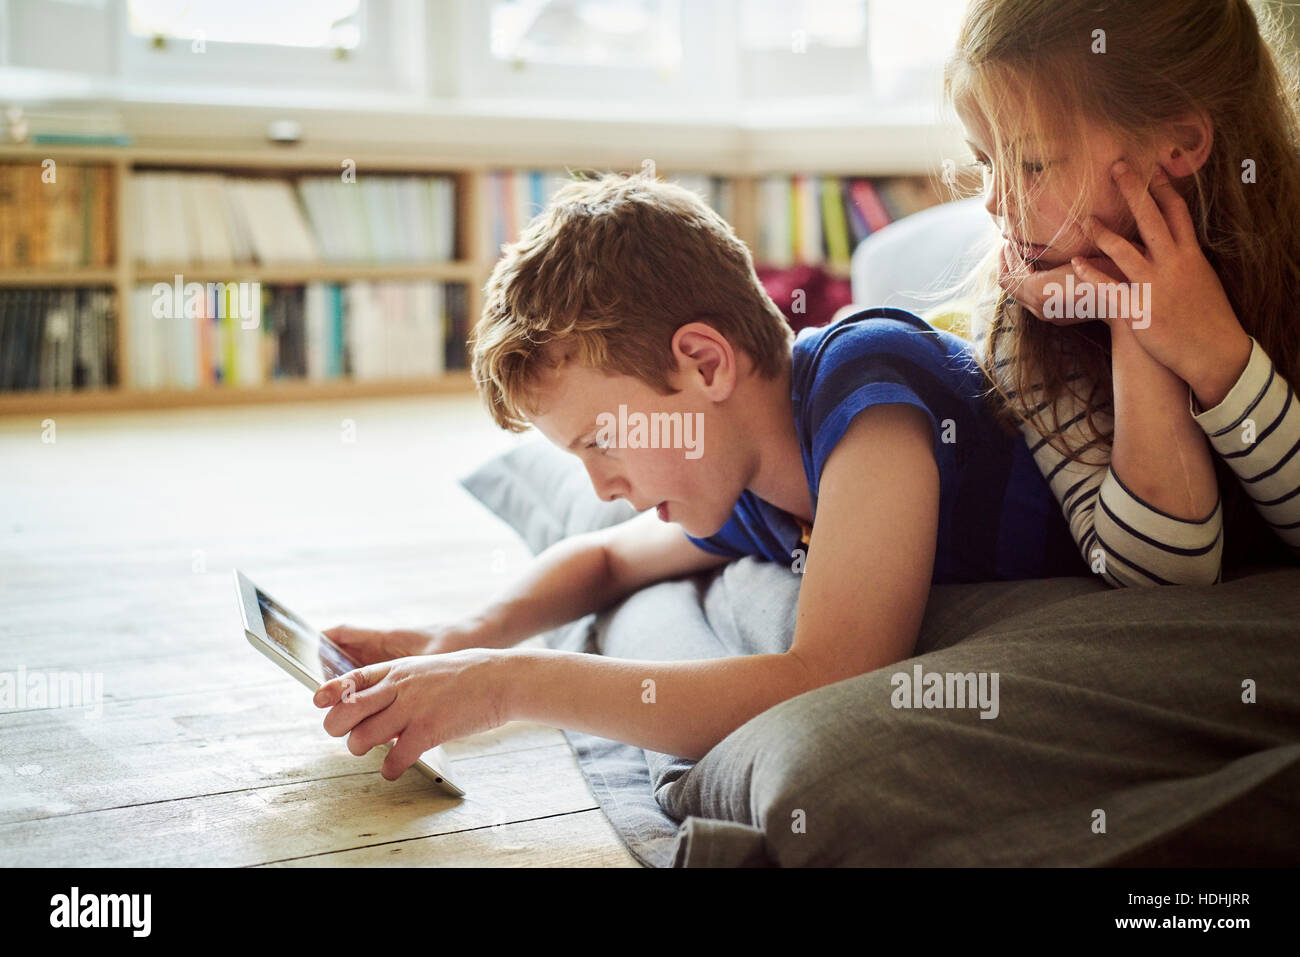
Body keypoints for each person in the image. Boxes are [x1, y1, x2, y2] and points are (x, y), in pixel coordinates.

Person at [311, 172, 1089, 776]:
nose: (602, 486)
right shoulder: (748, 477)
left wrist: (504, 684)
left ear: (705, 363)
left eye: (602, 441)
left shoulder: (865, 382)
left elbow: (831, 672)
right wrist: (458, 637)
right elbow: (608, 556)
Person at [943, 0, 1300, 587]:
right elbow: (1163, 573)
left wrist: (1216, 356)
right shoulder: (1019, 311)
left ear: (1179, 145)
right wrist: (1130, 314)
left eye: (1031, 164)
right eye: (986, 161)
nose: (992, 201)